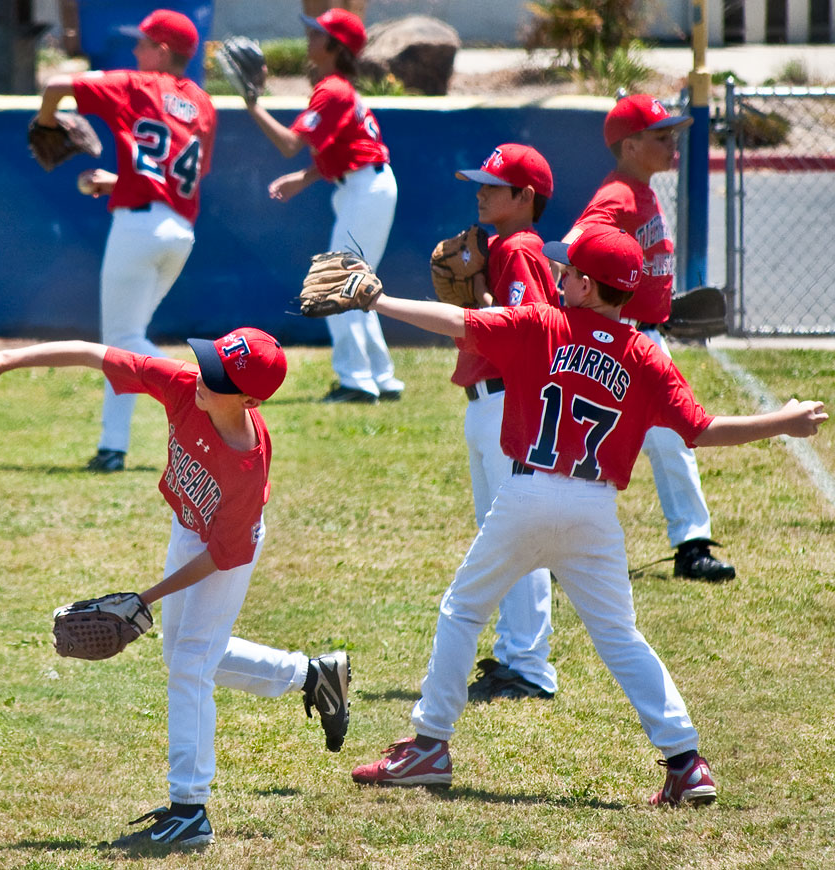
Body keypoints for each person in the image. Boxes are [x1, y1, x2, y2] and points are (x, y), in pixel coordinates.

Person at [347, 225, 826, 804]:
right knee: (620, 637)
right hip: (594, 511)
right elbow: (701, 430)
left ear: (588, 287)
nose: (560, 277)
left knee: (463, 610)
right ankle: (686, 762)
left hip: (527, 496)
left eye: (569, 272)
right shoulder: (644, 354)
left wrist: (377, 300)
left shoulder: (543, 324)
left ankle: (428, 745)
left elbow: (457, 321)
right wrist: (784, 421)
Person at [0, 327, 351, 850]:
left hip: (226, 550)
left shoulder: (245, 464)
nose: (204, 378)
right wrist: (5, 359)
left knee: (190, 664)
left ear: (250, 401)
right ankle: (313, 675)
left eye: (218, 378)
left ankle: (189, 810)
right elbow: (95, 353)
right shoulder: (184, 385)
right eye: (210, 363)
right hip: (190, 527)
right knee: (186, 654)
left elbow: (222, 556)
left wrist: (145, 598)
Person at [36, 9, 217, 472]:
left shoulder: (138, 84)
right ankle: (112, 447)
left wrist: (48, 123)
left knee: (122, 343)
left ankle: (213, 385)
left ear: (162, 50)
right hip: (179, 233)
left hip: (138, 230)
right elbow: (177, 178)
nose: (135, 50)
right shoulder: (203, 103)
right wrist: (119, 182)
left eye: (143, 43)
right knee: (126, 339)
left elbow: (55, 85)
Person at [566, 93, 734, 582]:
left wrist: (659, 307)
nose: (672, 145)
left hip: (643, 337)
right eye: (661, 137)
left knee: (671, 437)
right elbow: (576, 247)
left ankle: (692, 546)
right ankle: (558, 546)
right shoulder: (616, 196)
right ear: (630, 146)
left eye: (672, 135)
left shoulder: (642, 190)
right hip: (616, 341)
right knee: (585, 444)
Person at [240, 7, 404, 404]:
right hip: (366, 185)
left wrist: (253, 103)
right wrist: (305, 177)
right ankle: (380, 377)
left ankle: (357, 382)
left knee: (336, 283)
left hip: (365, 189)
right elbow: (343, 150)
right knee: (357, 284)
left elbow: (289, 144)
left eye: (317, 34)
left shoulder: (332, 89)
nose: (309, 38)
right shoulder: (339, 89)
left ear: (334, 46)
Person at [448, 144, 559, 703]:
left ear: (525, 197)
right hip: (489, 402)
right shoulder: (506, 247)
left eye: (494, 185)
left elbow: (528, 328)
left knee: (516, 533)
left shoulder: (517, 249)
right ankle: (518, 655)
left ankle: (529, 665)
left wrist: (481, 300)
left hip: (506, 402)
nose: (481, 192)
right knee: (503, 532)